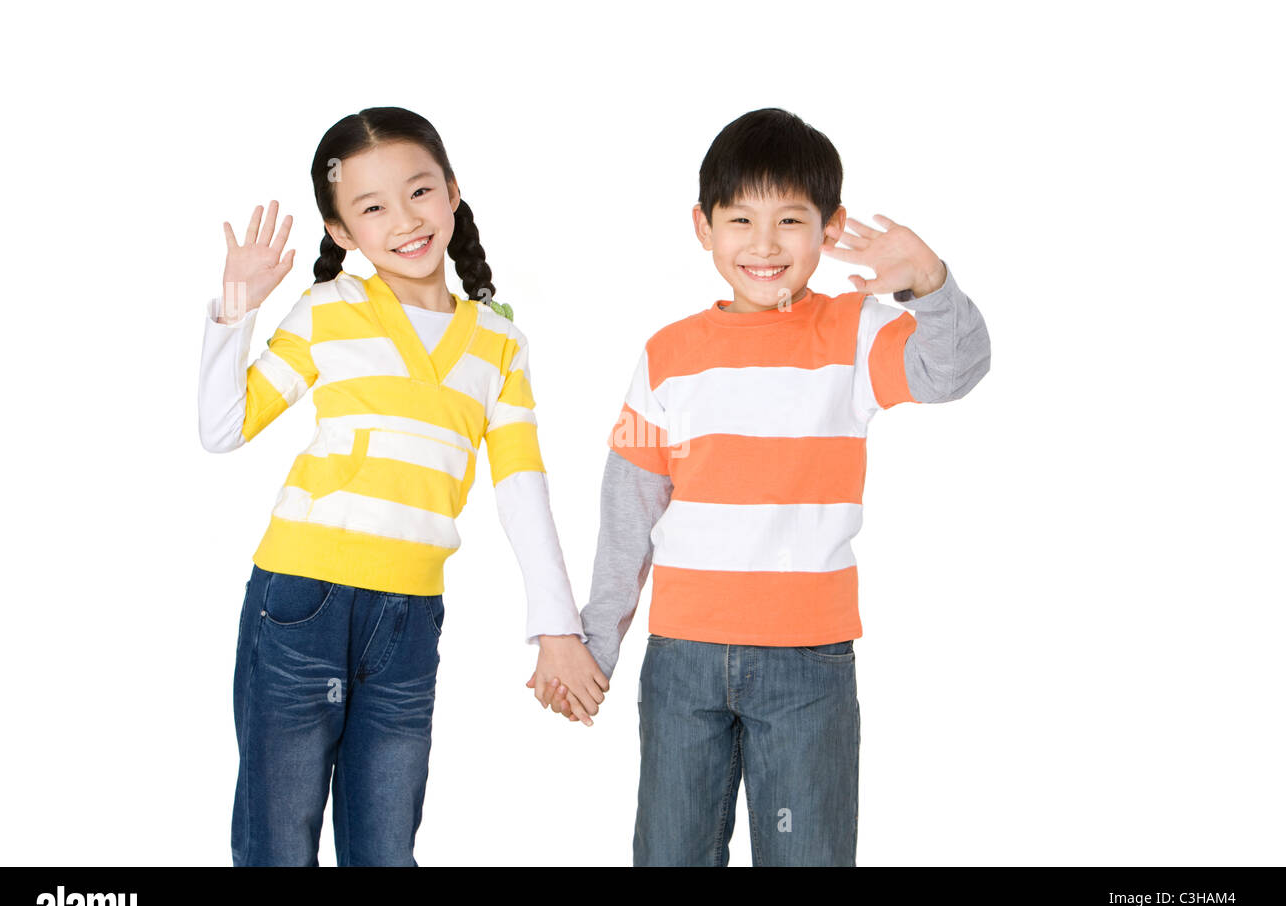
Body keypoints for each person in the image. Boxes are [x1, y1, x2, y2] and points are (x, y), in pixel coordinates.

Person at [547, 107, 991, 865]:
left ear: (830, 225)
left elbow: (955, 371)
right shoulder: (667, 354)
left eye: (790, 220)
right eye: (740, 218)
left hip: (806, 660)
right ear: (703, 225)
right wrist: (598, 642)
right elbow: (629, 512)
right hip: (683, 656)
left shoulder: (856, 331)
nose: (763, 244)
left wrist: (931, 283)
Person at [197, 107, 608, 866]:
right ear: (342, 233)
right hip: (299, 600)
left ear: (453, 192)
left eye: (420, 192)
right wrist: (237, 304)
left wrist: (557, 625)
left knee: (386, 852)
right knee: (277, 847)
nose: (405, 220)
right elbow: (225, 428)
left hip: (407, 623)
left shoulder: (499, 343)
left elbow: (522, 486)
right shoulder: (328, 312)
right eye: (372, 207)